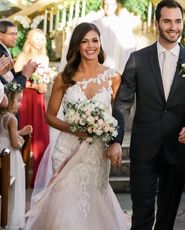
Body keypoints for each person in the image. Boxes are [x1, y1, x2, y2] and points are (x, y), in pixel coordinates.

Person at [108, 1, 185, 229]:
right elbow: (122, 104)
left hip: (178, 148)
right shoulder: (138, 59)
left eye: (177, 21)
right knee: (142, 213)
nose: (173, 27)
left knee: (167, 216)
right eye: (167, 21)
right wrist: (115, 140)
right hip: (145, 148)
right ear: (157, 23)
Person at [25, 22, 127, 230]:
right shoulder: (64, 78)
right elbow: (50, 117)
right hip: (67, 148)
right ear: (77, 46)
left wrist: (114, 141)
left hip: (97, 152)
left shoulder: (113, 77)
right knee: (64, 198)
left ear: (100, 44)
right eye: (84, 41)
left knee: (94, 198)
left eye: (95, 40)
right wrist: (75, 129)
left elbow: (119, 115)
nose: (90, 46)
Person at [14, 28, 50, 187]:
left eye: (42, 39)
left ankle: (38, 179)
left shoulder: (45, 58)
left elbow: (46, 80)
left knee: (42, 138)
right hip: (26, 97)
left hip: (39, 98)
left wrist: (43, 86)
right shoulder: (23, 56)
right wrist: (32, 84)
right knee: (23, 134)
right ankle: (18, 175)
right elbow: (16, 81)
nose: (39, 42)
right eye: (36, 38)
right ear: (30, 40)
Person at [0, 81, 32, 229]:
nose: (20, 104)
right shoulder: (12, 119)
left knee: (3, 188)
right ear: (10, 100)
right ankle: (10, 220)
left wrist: (20, 132)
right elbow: (14, 144)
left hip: (2, 153)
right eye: (18, 100)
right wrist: (22, 141)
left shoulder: (2, 117)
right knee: (12, 189)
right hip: (11, 157)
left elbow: (5, 137)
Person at [0, 19, 37, 87]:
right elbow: (9, 86)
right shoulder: (1, 53)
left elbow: (10, 77)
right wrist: (25, 75)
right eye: (11, 34)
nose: (15, 37)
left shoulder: (4, 50)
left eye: (16, 34)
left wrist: (25, 70)